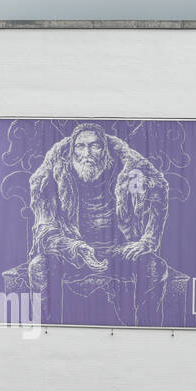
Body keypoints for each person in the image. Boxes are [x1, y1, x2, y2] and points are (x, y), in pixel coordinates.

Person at [25, 123, 170, 325]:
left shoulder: (127, 166)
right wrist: (74, 247)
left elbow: (158, 187)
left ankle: (149, 335)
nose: (87, 152)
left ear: (105, 149)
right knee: (38, 267)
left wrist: (148, 240)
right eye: (81, 146)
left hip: (118, 251)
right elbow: (45, 231)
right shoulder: (53, 173)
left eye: (95, 146)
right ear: (72, 150)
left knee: (155, 268)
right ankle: (46, 333)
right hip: (74, 251)